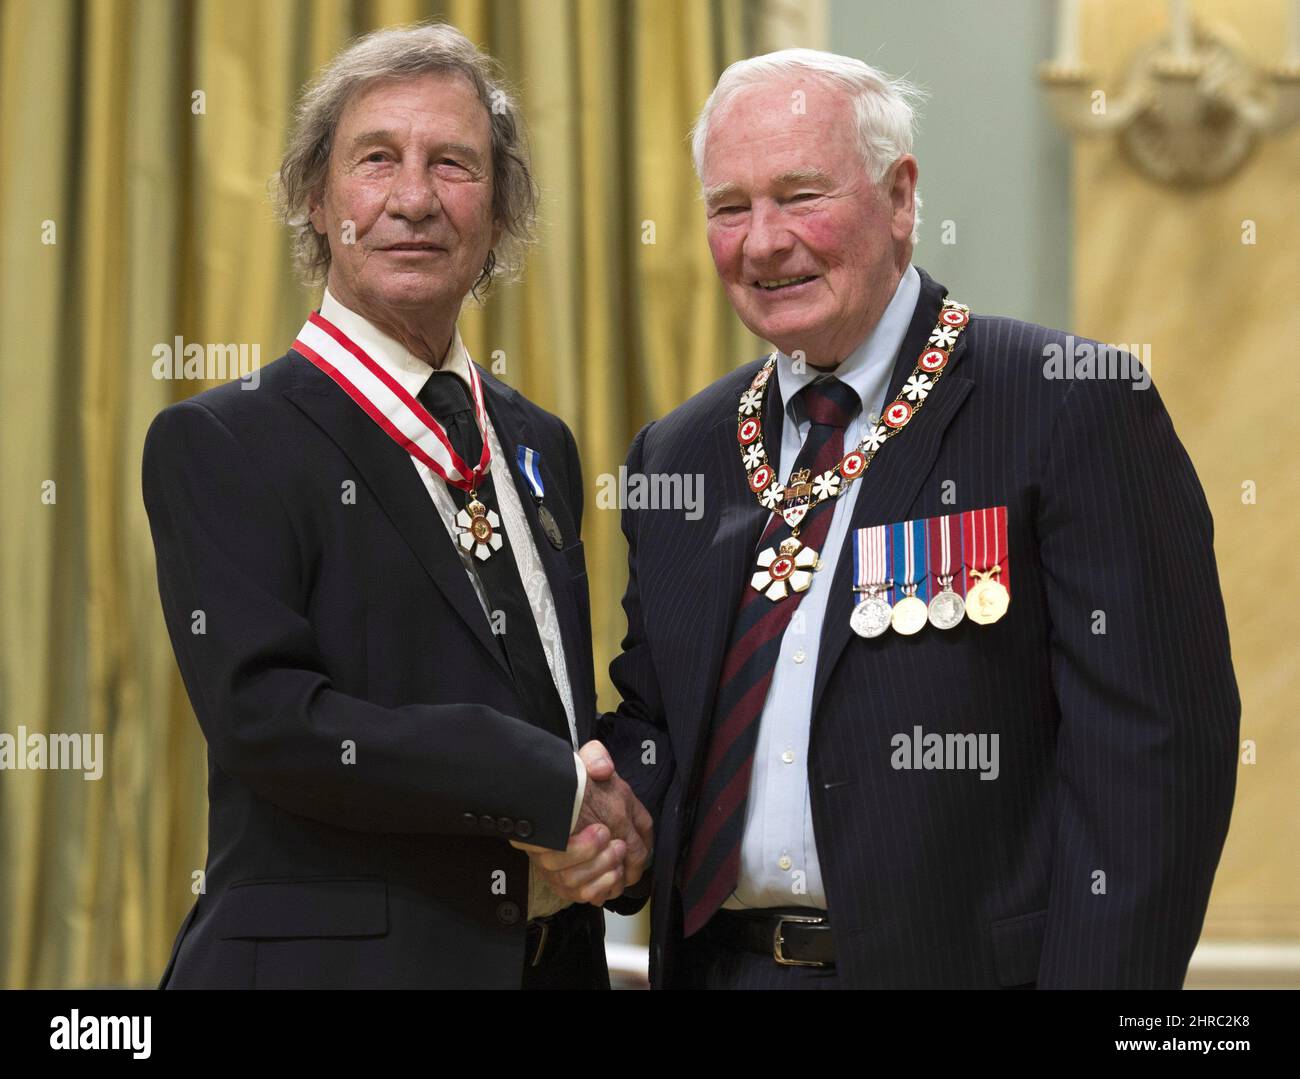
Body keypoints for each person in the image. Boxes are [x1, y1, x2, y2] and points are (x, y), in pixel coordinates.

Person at [529, 48, 1239, 989]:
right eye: (729, 207)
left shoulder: (1068, 404)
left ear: (900, 197)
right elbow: (662, 721)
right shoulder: (681, 453)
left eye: (800, 195)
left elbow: (1157, 762)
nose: (764, 241)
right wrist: (599, 810)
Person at [142, 22, 649, 990]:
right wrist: (542, 784)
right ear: (315, 198)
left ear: (496, 212)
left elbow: (555, 702)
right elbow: (272, 723)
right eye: (376, 159)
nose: (413, 198)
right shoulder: (221, 442)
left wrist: (613, 838)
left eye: (451, 164)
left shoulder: (538, 442)